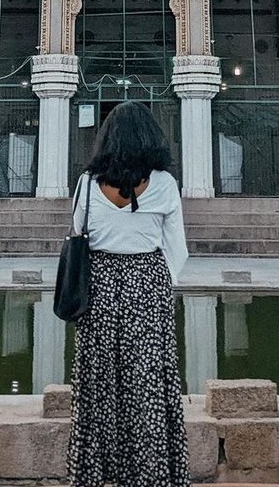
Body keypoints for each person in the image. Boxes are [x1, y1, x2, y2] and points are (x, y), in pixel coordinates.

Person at [67, 100, 191, 487]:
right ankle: (151, 474)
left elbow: (77, 232)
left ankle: (96, 473)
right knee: (148, 383)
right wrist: (153, 281)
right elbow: (178, 249)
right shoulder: (165, 185)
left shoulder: (88, 185)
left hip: (99, 287)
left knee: (99, 381)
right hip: (148, 284)